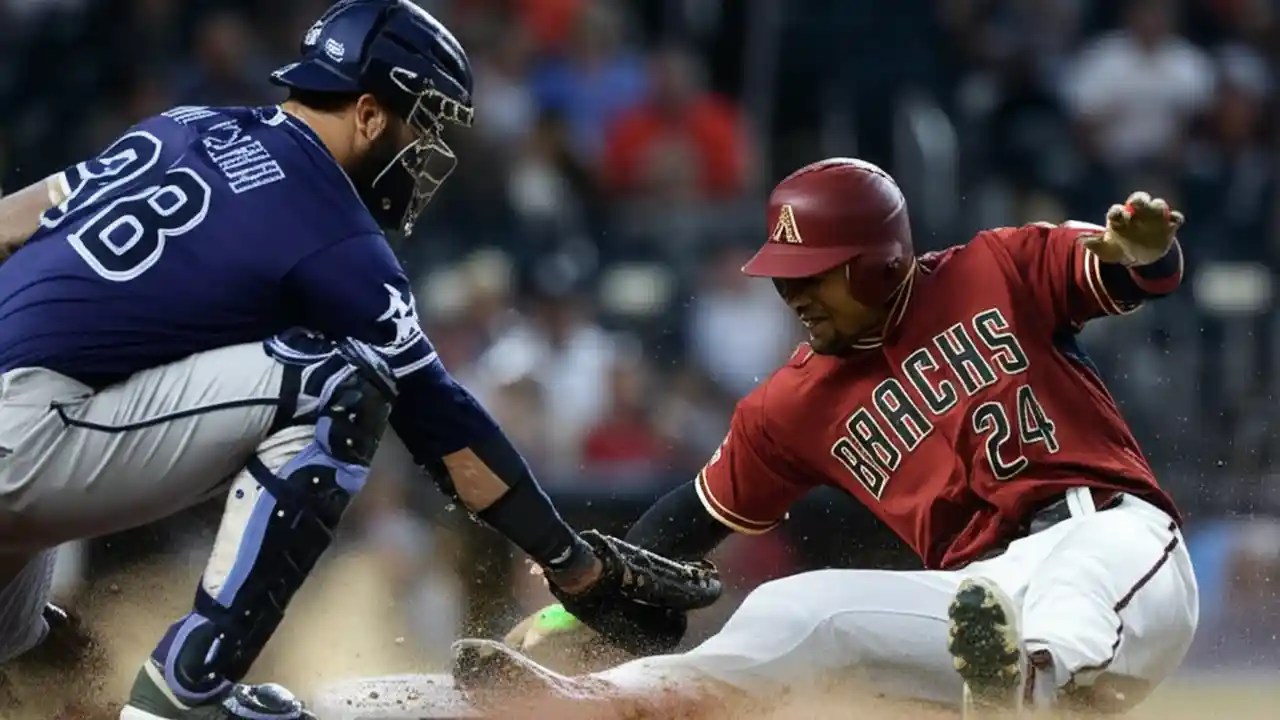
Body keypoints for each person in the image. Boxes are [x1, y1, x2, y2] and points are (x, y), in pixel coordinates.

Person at [0, 2, 716, 719]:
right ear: (370, 114)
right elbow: (443, 423)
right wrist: (574, 566)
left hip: (33, 437)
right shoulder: (330, 225)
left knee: (51, 671)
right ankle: (186, 695)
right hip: (30, 437)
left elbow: (11, 222)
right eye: (425, 123)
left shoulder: (183, 125)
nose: (428, 151)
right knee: (339, 381)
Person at [465, 158, 1198, 718]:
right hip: (975, 600)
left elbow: (1133, 273)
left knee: (1073, 590)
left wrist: (1140, 253)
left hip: (1107, 539)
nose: (795, 295)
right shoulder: (790, 404)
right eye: (785, 277)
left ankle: (1027, 685)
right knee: (795, 610)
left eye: (815, 274)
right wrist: (575, 602)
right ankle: (600, 703)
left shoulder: (994, 269)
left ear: (881, 258)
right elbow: (683, 526)